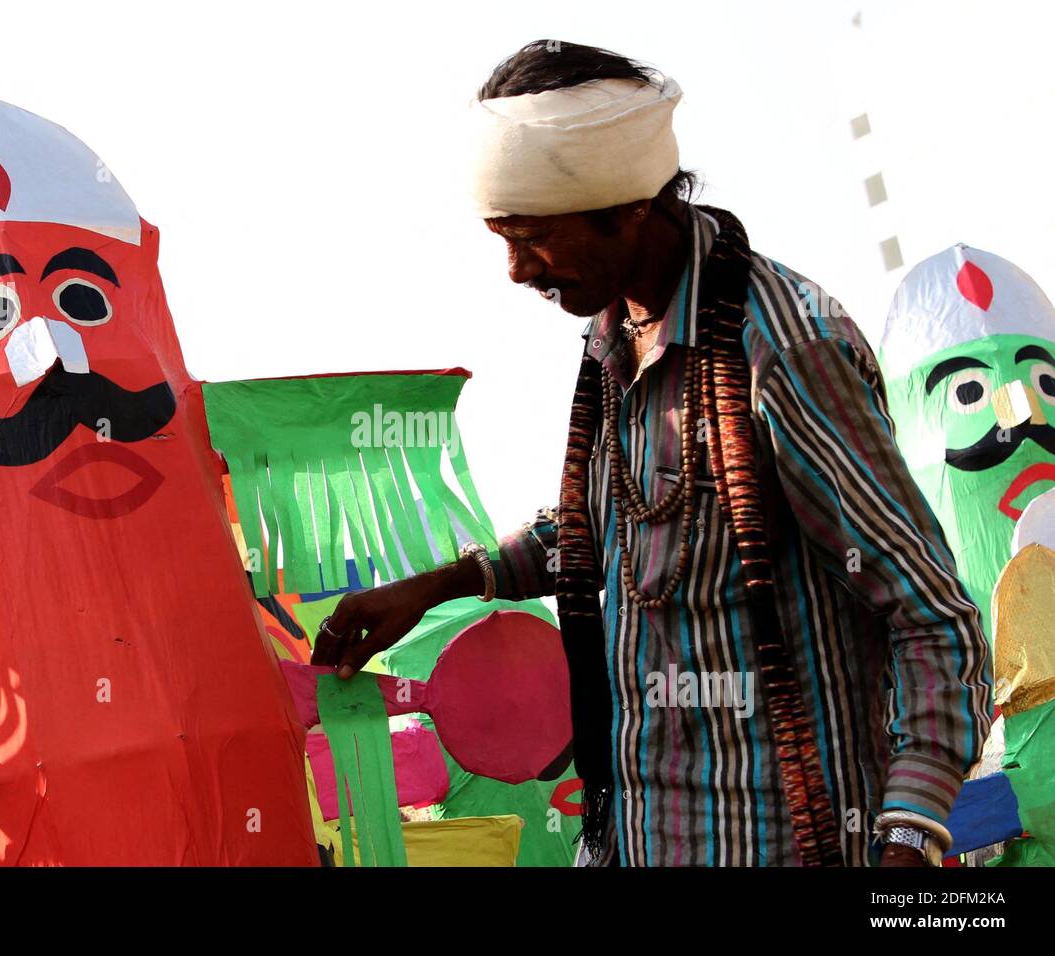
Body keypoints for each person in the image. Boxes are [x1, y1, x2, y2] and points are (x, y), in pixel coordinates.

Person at [313, 40, 991, 867]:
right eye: (502, 237)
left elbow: (936, 621)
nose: (517, 270)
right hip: (632, 840)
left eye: (532, 237)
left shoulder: (784, 349)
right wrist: (442, 586)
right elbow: (613, 527)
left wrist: (908, 841)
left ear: (628, 205)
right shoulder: (613, 342)